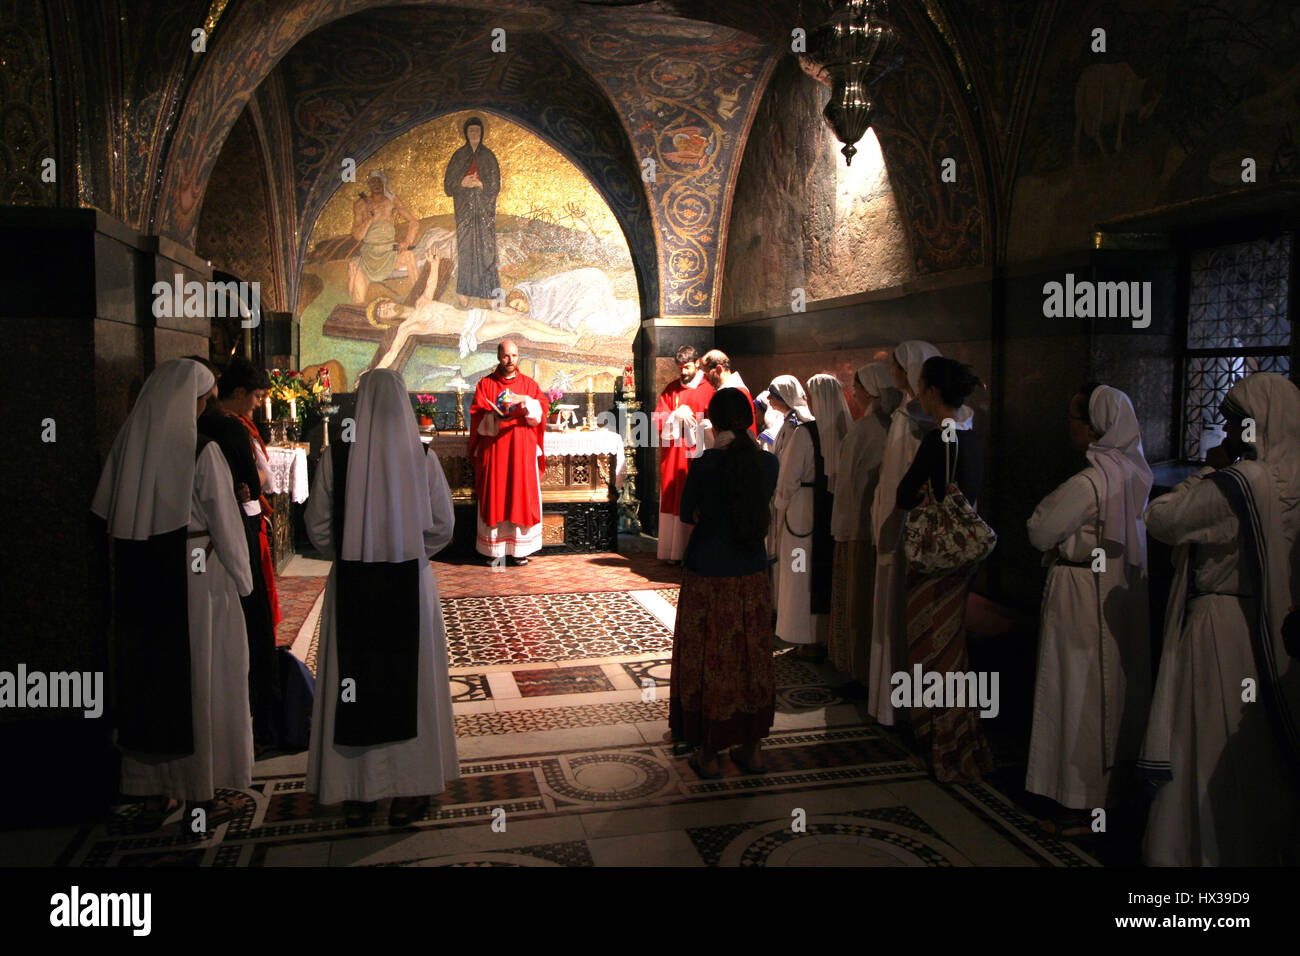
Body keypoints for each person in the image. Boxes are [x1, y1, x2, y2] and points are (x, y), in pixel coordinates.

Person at [1139, 372, 1300, 866]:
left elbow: (1162, 519)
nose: (1226, 437)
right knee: (1251, 751)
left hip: (1220, 624)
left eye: (1234, 427)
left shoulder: (1241, 483)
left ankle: (1198, 852)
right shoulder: (1290, 477)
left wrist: (1207, 472)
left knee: (1204, 742)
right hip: (1268, 626)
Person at [91, 358, 253, 832]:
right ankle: (199, 795)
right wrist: (245, 582)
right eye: (204, 398)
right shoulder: (202, 451)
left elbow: (103, 510)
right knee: (200, 679)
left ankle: (151, 793)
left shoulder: (127, 444)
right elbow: (225, 524)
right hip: (196, 577)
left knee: (149, 681)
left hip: (142, 577)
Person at [305, 368, 460, 827]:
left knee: (353, 685)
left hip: (353, 584)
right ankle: (410, 791)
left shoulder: (337, 457)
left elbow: (316, 528)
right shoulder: (421, 456)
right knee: (412, 684)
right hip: (410, 583)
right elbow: (443, 525)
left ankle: (358, 792)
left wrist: (354, 552)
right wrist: (408, 554)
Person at [1025, 384, 1153, 811]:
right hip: (1119, 590)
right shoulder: (1136, 473)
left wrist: (1055, 545)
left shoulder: (1089, 481)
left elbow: (1040, 529)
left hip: (1080, 592)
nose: (1071, 428)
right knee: (1111, 686)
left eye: (1075, 420)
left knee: (1074, 686)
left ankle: (1073, 792)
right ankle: (1108, 789)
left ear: (1095, 428)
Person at [669, 388, 780, 778]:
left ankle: (711, 752)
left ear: (713, 422)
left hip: (709, 573)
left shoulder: (705, 466)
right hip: (751, 572)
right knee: (750, 656)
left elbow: (688, 514)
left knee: (711, 657)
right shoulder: (768, 464)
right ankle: (752, 749)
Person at [895, 356, 993, 783]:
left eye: (921, 386)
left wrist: (918, 491)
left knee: (928, 650)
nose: (919, 394)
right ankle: (961, 743)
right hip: (963, 555)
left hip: (933, 557)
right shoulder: (972, 437)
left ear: (933, 391)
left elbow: (903, 495)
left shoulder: (939, 438)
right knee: (953, 651)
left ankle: (937, 746)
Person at [199, 358, 280, 752]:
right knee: (250, 625)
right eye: (255, 397)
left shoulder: (178, 431)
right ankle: (260, 723)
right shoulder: (228, 429)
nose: (256, 404)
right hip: (230, 543)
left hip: (199, 552)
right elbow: (251, 481)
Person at [868, 340, 943, 726]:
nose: (894, 374)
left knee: (904, 614)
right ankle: (888, 703)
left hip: (908, 528)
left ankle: (901, 708)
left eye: (899, 368)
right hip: (892, 522)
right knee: (889, 611)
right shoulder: (904, 413)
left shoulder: (921, 421)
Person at [828, 363, 899, 687]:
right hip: (882, 530)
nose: (852, 394)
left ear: (869, 391)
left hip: (856, 527)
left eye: (855, 388)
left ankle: (854, 669)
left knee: (855, 602)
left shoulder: (863, 430)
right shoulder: (895, 427)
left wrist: (839, 527)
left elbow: (844, 486)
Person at [768, 375, 833, 657]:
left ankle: (800, 633)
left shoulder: (804, 430)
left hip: (799, 507)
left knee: (798, 571)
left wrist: (778, 503)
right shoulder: (810, 427)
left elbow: (790, 472)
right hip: (814, 505)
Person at [469, 340, 549, 565]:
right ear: (498, 356)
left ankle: (519, 550)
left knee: (519, 494)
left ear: (518, 356)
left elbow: (541, 410)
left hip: (521, 450)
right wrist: (493, 415)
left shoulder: (529, 385)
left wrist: (526, 400)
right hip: (495, 450)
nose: (510, 360)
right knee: (496, 493)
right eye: (505, 356)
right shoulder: (485, 384)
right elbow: (476, 414)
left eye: (514, 355)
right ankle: (494, 551)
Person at [655, 345, 714, 563]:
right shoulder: (671, 389)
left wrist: (700, 423)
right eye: (680, 367)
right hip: (674, 456)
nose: (683, 372)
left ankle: (694, 553)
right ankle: (674, 553)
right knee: (675, 498)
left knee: (697, 498)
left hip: (699, 453)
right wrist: (674, 415)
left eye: (687, 367)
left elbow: (717, 422)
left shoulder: (709, 389)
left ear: (697, 363)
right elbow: (657, 422)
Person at [443, 116, 501, 308]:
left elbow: (495, 185)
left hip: (484, 210)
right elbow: (448, 186)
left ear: (482, 133)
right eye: (471, 131)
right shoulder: (459, 156)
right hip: (465, 210)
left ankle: (488, 291)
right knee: (466, 247)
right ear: (466, 133)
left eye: (477, 130)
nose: (474, 134)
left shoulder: (489, 156)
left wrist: (480, 184)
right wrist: (462, 182)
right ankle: (464, 290)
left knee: (487, 248)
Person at [349, 170, 422, 304]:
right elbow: (357, 235)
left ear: (384, 183)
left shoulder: (391, 201)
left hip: (389, 252)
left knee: (409, 256)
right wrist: (369, 220)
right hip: (369, 255)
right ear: (369, 184)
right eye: (373, 181)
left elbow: (414, 223)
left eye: (379, 181)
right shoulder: (360, 205)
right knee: (357, 297)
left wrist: (407, 241)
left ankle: (420, 301)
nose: (376, 184)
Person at [697, 349, 756, 446]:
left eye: (707, 373)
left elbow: (737, 430)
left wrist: (708, 427)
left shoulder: (737, 393)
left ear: (719, 369)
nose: (706, 378)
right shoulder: (722, 391)